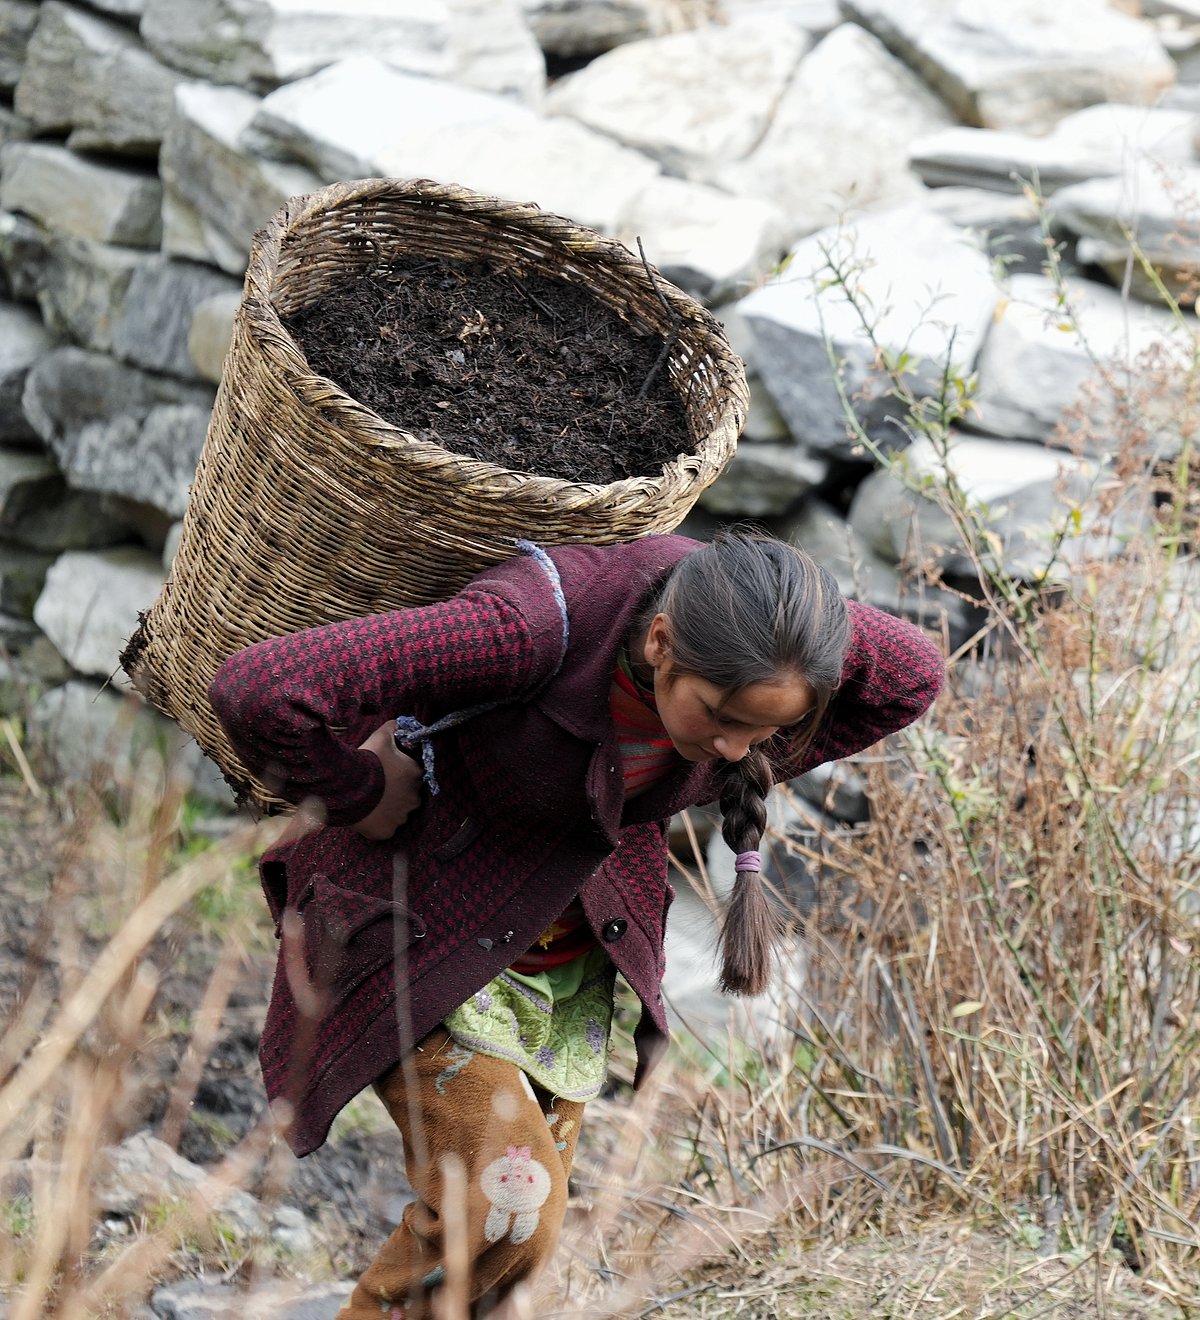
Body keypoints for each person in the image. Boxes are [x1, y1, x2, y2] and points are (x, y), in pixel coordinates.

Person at [208, 528, 944, 1318]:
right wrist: (359, 791)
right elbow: (262, 687)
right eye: (723, 717)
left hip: (567, 969)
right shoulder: (527, 626)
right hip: (426, 936)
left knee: (520, 1240)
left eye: (761, 735)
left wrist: (715, 756)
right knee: (502, 1211)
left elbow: (913, 674)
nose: (738, 747)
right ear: (660, 640)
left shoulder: (733, 643)